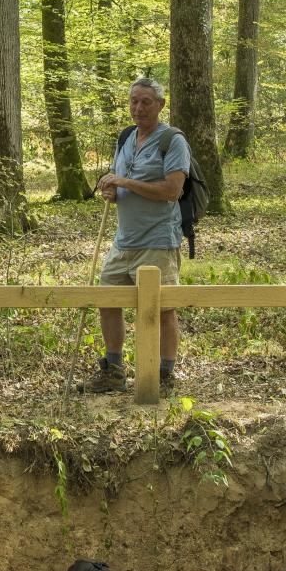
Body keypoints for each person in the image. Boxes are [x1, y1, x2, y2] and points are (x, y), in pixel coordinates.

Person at [85, 76, 190, 393]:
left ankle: (164, 376)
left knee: (162, 308)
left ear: (160, 105)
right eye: (134, 101)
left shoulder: (172, 141)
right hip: (123, 242)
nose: (138, 107)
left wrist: (125, 183)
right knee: (107, 300)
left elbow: (172, 191)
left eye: (146, 101)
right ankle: (114, 371)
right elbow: (122, 181)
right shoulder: (126, 137)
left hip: (157, 241)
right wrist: (113, 192)